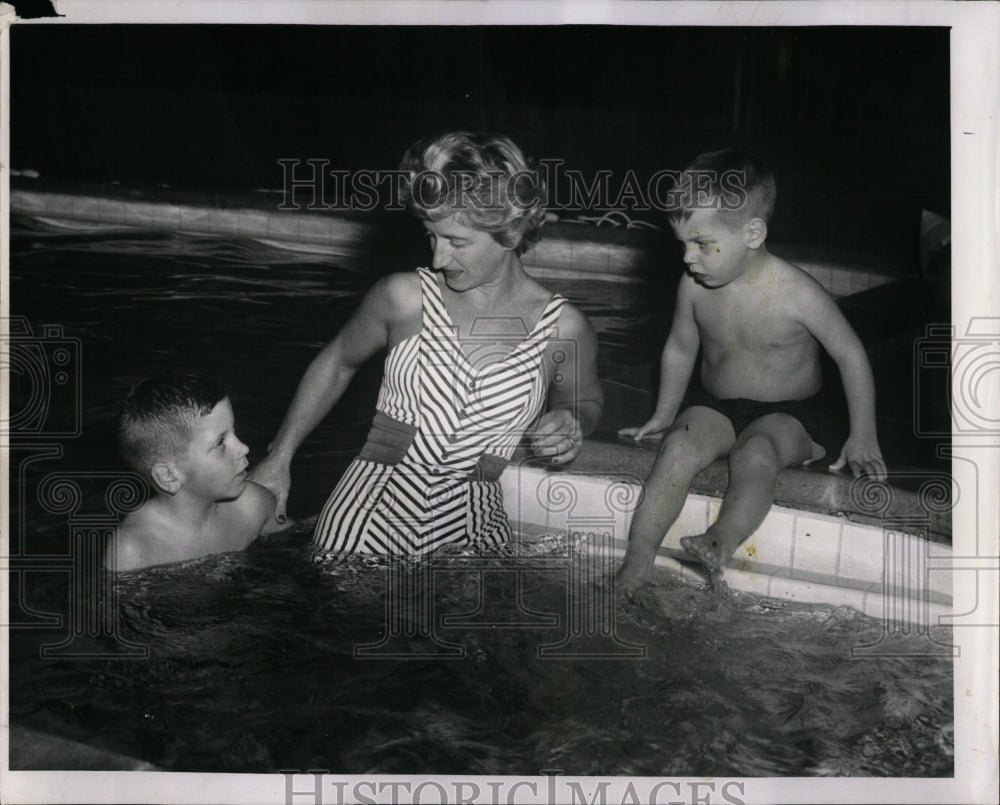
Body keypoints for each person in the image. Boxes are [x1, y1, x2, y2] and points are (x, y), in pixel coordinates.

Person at [252, 132, 603, 555]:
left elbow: (585, 401)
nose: (437, 257)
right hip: (360, 528)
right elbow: (338, 362)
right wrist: (279, 456)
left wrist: (572, 420)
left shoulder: (563, 327)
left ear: (510, 231)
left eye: (456, 242)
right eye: (431, 235)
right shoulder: (403, 298)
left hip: (473, 538)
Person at [615, 148, 885, 590]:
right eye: (682, 244)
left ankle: (720, 540)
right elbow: (681, 348)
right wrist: (664, 415)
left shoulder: (798, 293)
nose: (688, 258)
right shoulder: (694, 286)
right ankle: (636, 563)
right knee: (677, 450)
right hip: (715, 404)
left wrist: (863, 435)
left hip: (790, 414)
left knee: (756, 455)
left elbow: (851, 355)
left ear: (752, 233)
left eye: (702, 244)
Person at [108, 374, 283, 571]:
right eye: (220, 443)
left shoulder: (254, 505)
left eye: (234, 431)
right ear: (169, 477)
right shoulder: (132, 550)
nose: (244, 448)